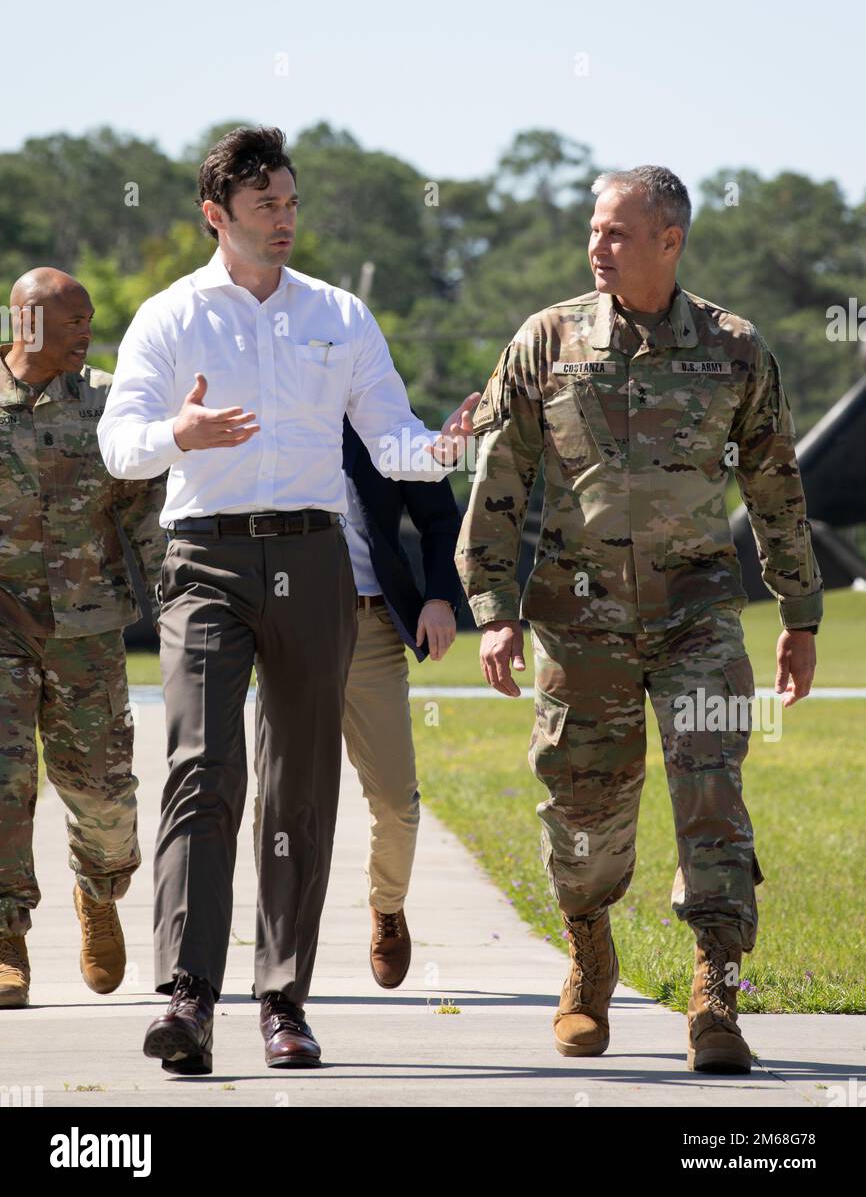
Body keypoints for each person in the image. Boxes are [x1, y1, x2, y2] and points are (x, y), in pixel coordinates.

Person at [97, 125, 476, 1074]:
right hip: (206, 562)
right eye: (267, 204)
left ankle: (283, 1001)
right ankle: (187, 998)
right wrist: (176, 432)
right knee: (201, 768)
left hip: (311, 565)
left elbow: (391, 440)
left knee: (299, 786)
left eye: (292, 202)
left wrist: (449, 446)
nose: (285, 220)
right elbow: (118, 446)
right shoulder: (169, 316)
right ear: (215, 215)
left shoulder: (340, 316)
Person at [456, 165, 822, 1074]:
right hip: (579, 621)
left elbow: (776, 486)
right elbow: (499, 479)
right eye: (594, 229)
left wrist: (800, 611)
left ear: (671, 240)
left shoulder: (735, 349)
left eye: (619, 231)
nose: (598, 245)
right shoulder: (548, 341)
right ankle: (588, 953)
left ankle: (716, 993)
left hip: (700, 609)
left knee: (714, 796)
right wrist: (494, 608)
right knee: (582, 812)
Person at [0, 269, 164, 1009]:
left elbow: (145, 511)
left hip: (88, 630)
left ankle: (98, 892)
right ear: (27, 323)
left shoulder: (107, 400)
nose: (88, 332)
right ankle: (6, 938)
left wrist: (183, 599)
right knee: (5, 788)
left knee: (103, 793)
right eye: (75, 321)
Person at [252, 413, 462, 992]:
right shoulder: (268, 407)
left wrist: (440, 596)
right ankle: (280, 945)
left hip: (371, 629)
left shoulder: (385, 421)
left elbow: (442, 519)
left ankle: (387, 906)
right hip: (291, 626)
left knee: (396, 800)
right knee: (280, 803)